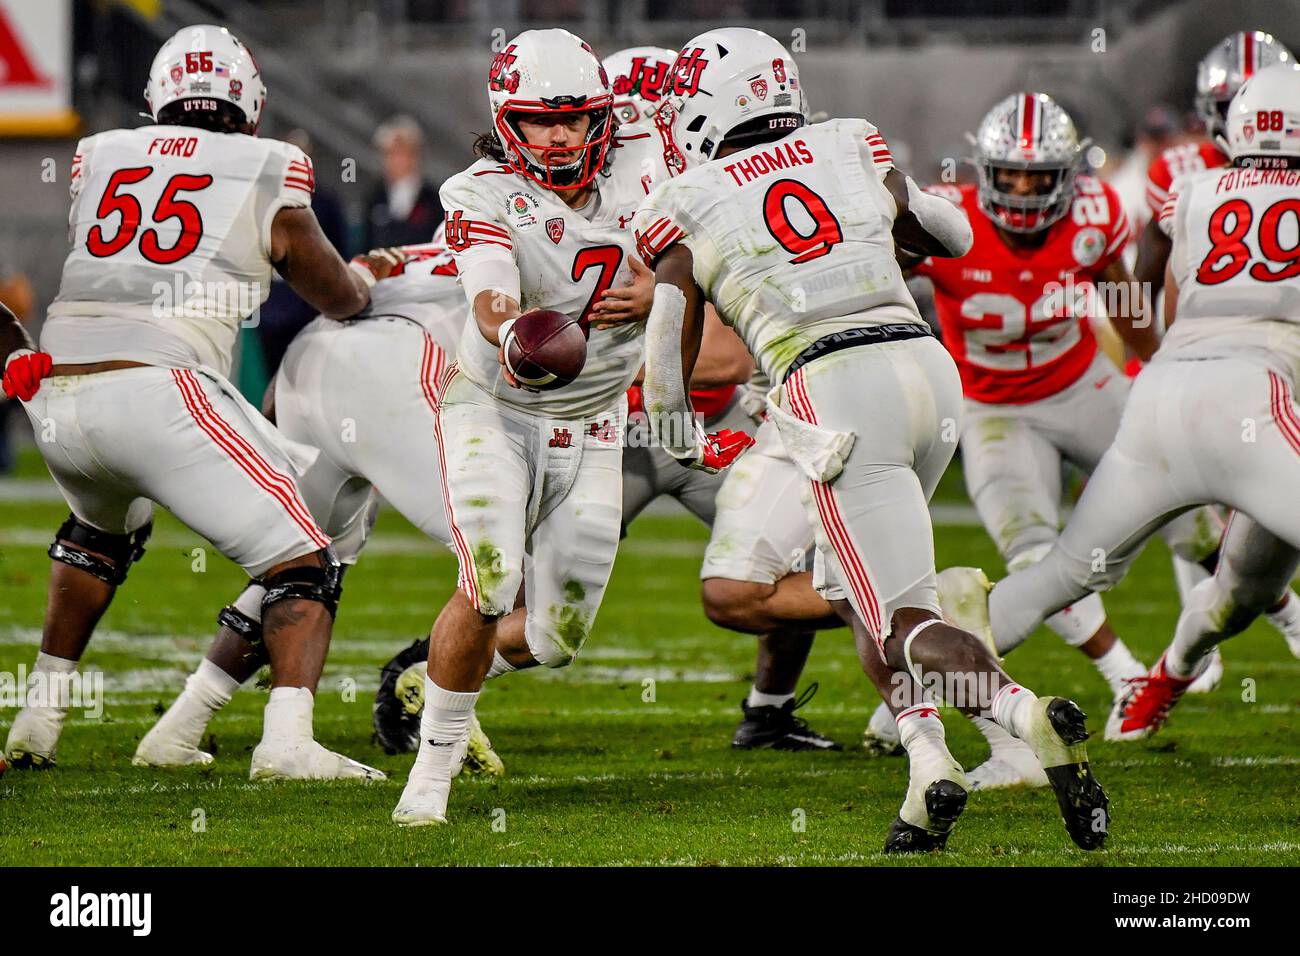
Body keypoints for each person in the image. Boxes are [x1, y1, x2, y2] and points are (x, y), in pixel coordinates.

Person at [635, 27, 1108, 852]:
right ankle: (928, 775)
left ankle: (1022, 714)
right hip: (929, 371)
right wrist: (880, 234)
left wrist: (675, 432)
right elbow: (952, 236)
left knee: (900, 620)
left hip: (832, 388)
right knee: (870, 589)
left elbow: (669, 324)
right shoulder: (849, 140)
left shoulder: (685, 196)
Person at [1, 24, 381, 780]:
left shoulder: (101, 153)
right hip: (157, 385)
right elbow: (334, 293)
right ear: (251, 104)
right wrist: (366, 285)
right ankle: (287, 743)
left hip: (57, 394)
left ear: (156, 99)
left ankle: (37, 722)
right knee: (306, 557)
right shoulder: (268, 164)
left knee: (97, 533)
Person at [391, 29, 698, 827]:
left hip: (595, 422)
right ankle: (430, 778)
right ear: (507, 121)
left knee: (557, 637)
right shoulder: (478, 191)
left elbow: (692, 250)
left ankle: (430, 679)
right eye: (538, 122)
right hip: (495, 405)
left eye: (574, 119)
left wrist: (661, 293)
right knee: (491, 578)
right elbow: (490, 295)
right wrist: (518, 330)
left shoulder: (647, 156)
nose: (560, 137)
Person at [943, 63, 1300, 745]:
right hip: (1251, 400)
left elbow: (1156, 272)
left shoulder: (1194, 191)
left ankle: (917, 685)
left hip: (1163, 393)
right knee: (1229, 581)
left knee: (1066, 573)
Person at [894, 93, 1226, 783]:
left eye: (1036, 176)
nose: (1019, 190)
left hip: (1081, 387)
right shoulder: (944, 219)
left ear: (1066, 176)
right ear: (985, 171)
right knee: (1033, 553)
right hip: (991, 409)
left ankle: (1232, 633)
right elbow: (884, 284)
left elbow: (1121, 294)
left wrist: (1157, 367)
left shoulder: (1094, 214)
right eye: (1008, 175)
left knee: (1191, 502)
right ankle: (1127, 673)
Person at [133, 238, 504, 774]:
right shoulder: (541, 243)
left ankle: (184, 727)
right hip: (395, 365)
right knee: (500, 559)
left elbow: (362, 272)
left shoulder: (451, 238)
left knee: (299, 563)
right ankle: (440, 708)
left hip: (312, 358)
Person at [363, 115, 444, 250]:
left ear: (415, 155)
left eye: (401, 153)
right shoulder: (374, 199)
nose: (396, 160)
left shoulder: (433, 200)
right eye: (389, 153)